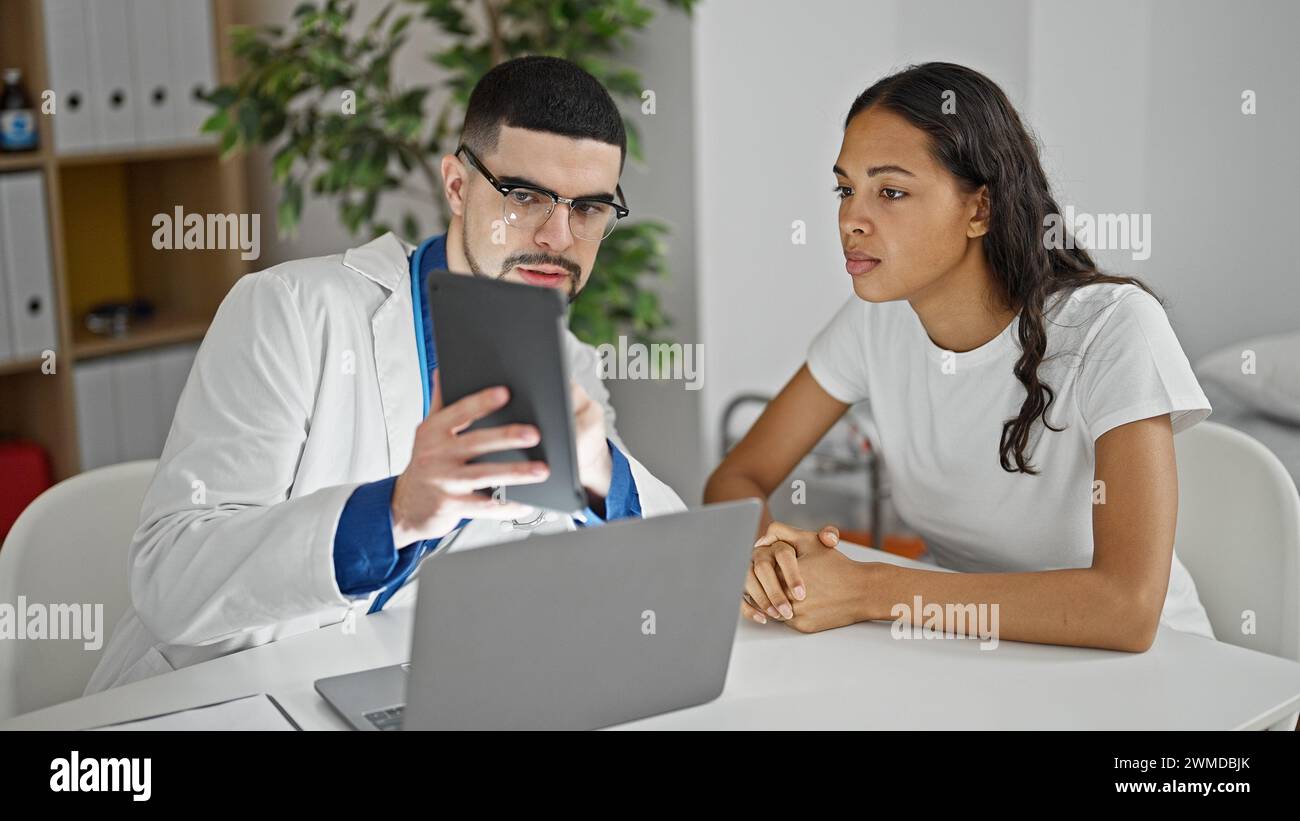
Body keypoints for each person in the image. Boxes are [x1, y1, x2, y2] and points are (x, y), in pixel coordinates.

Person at [87, 56, 685, 694]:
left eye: (590, 209)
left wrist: (599, 477)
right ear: (457, 186)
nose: (559, 236)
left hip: (413, 692)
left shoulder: (568, 363)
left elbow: (661, 569)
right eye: (525, 197)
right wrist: (394, 512)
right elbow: (170, 581)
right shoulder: (290, 311)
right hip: (224, 697)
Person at [704, 62, 1214, 652]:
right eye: (846, 189)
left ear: (980, 210)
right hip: (963, 650)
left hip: (1152, 669)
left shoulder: (1112, 326)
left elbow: (1126, 610)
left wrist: (870, 589)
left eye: (890, 191)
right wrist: (772, 565)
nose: (850, 221)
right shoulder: (875, 321)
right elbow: (737, 477)